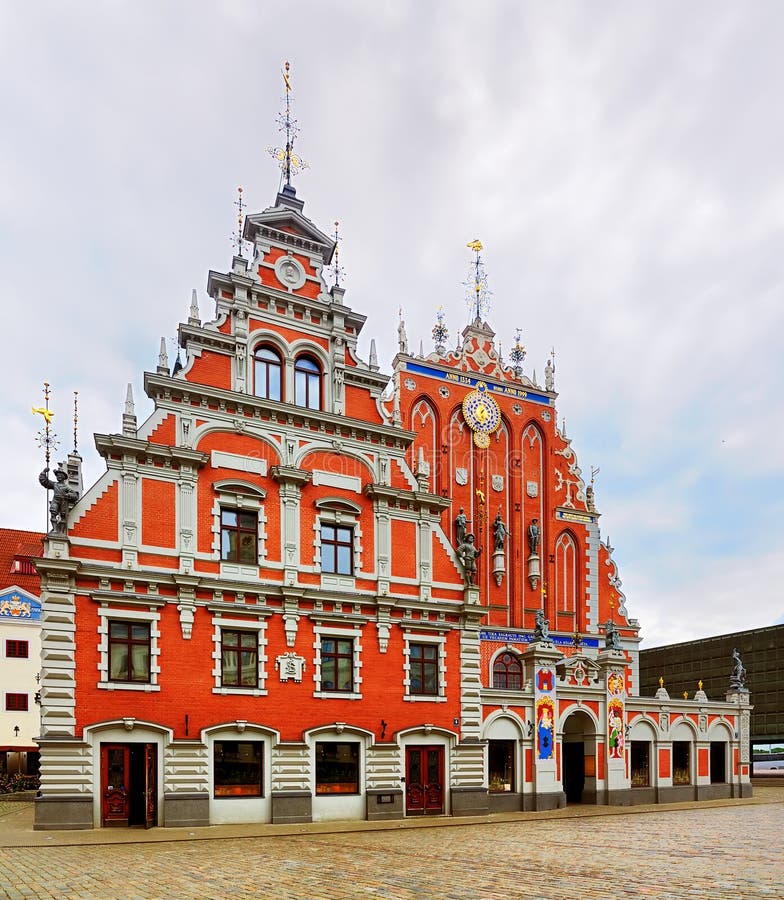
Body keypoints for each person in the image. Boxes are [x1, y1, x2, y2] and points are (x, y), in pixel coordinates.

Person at [38, 462, 79, 533]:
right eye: (57, 475)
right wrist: (44, 472)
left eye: (60, 475)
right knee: (53, 513)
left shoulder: (67, 487)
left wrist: (68, 495)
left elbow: (75, 495)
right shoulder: (55, 484)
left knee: (63, 516)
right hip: (56, 500)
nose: (59, 476)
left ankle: (62, 531)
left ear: (63, 477)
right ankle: (55, 529)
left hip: (63, 501)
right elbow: (45, 482)